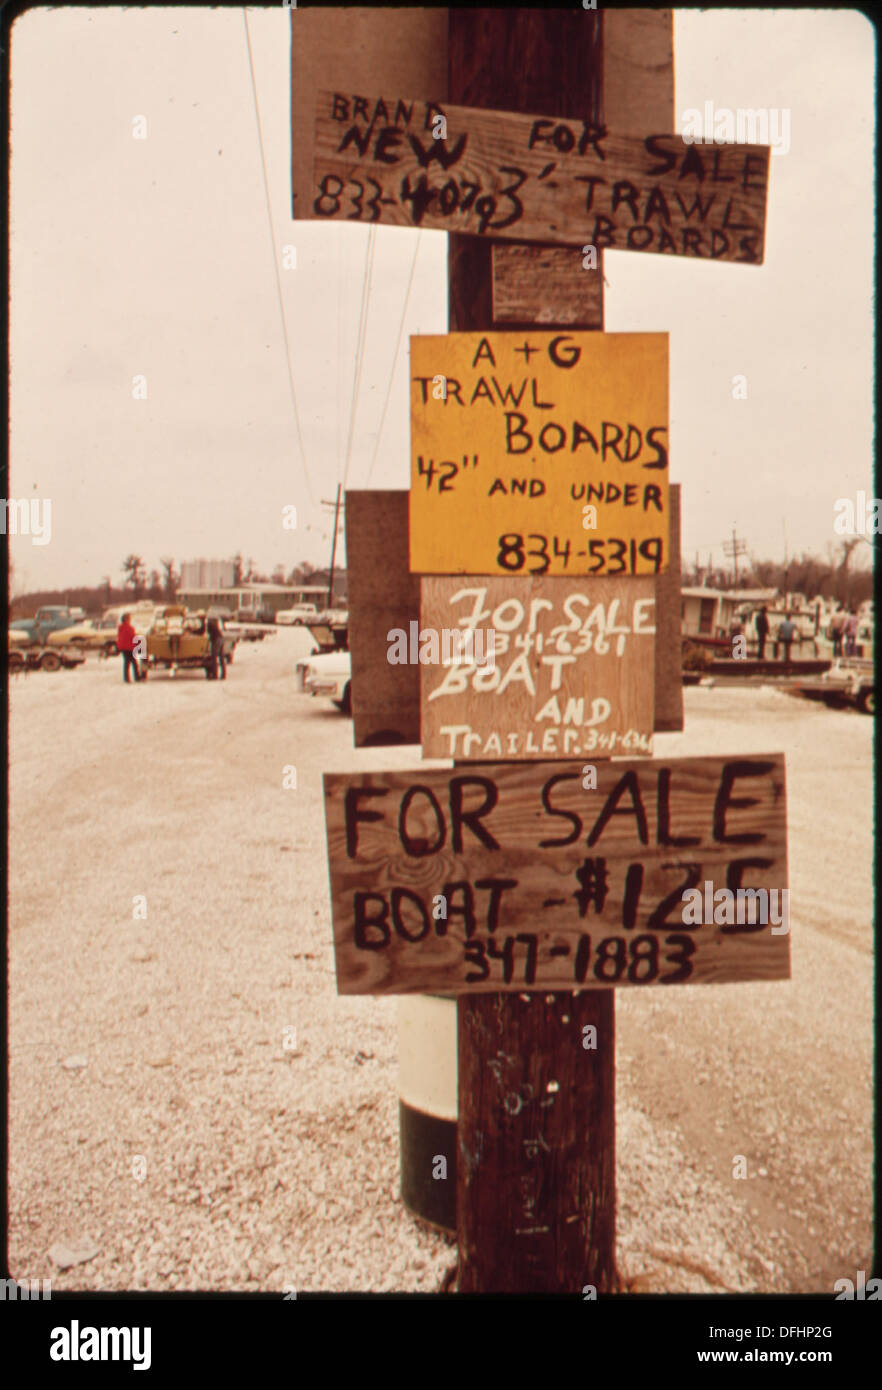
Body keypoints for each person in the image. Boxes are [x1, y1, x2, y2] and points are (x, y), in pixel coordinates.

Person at [117, 612, 142, 683]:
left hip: (123, 647)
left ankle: (126, 678)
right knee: (134, 663)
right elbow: (133, 637)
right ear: (126, 619)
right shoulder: (129, 628)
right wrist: (138, 644)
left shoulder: (120, 628)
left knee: (126, 663)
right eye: (129, 618)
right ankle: (137, 677)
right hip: (129, 647)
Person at [207, 614, 226, 680]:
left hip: (217, 640)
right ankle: (223, 675)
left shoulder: (208, 624)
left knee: (214, 657)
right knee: (221, 657)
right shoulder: (212, 624)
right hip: (221, 639)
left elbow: (207, 633)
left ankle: (215, 675)